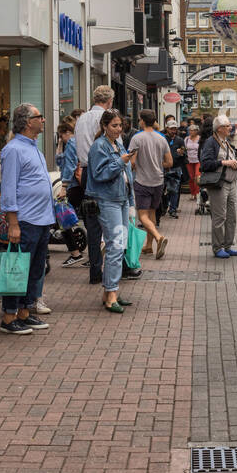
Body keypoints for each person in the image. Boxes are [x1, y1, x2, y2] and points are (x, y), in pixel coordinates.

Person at [0, 103, 57, 335]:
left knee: (35, 269)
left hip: (41, 220)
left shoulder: (34, 147)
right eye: (39, 117)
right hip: (26, 220)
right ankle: (9, 316)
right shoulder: (13, 149)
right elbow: (9, 188)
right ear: (27, 122)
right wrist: (13, 222)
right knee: (18, 269)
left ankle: (24, 313)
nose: (43, 120)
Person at [86, 109, 134, 313]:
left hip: (120, 199)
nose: (118, 129)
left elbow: (127, 173)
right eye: (114, 125)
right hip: (108, 200)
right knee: (115, 246)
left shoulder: (117, 143)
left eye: (120, 125)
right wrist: (121, 161)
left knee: (120, 245)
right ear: (104, 126)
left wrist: (130, 200)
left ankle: (110, 291)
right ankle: (111, 293)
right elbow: (99, 174)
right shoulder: (99, 146)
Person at [74, 85, 115, 286]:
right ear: (109, 101)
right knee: (110, 219)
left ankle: (95, 270)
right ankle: (115, 268)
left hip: (85, 172)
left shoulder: (81, 118)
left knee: (92, 225)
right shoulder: (107, 118)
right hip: (103, 171)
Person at [127, 109, 171, 259]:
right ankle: (148, 246)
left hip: (142, 181)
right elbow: (169, 162)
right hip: (158, 181)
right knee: (152, 212)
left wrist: (139, 165)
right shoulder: (162, 138)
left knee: (142, 215)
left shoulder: (137, 138)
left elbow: (131, 162)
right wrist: (156, 165)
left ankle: (159, 238)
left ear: (142, 121)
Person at [200, 113, 237, 258]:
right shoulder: (210, 143)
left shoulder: (226, 142)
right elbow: (205, 164)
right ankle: (218, 247)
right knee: (219, 217)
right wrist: (223, 163)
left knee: (232, 216)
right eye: (227, 126)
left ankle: (227, 245)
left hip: (231, 182)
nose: (230, 127)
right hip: (219, 184)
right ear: (219, 128)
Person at [163, 117, 187, 219]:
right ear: (167, 128)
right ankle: (163, 208)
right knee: (163, 190)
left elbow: (184, 153)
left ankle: (173, 209)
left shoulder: (180, 140)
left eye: (175, 129)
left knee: (174, 190)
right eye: (171, 129)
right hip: (164, 168)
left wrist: (181, 154)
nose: (173, 131)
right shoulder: (163, 139)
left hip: (176, 168)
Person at [185, 123, 201, 202]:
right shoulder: (186, 139)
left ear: (197, 131)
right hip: (189, 160)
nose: (191, 132)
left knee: (197, 177)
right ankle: (192, 193)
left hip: (198, 160)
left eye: (193, 130)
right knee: (191, 178)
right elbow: (184, 148)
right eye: (190, 130)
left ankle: (197, 193)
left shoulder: (199, 139)